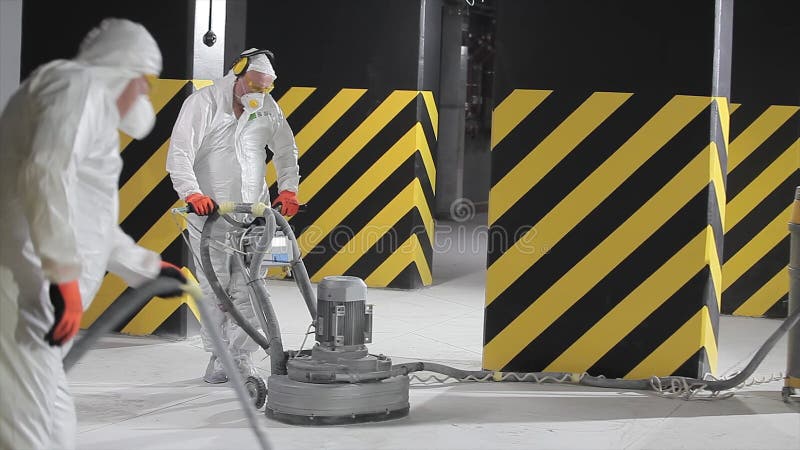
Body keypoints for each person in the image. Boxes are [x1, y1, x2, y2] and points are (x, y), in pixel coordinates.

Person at [0, 18, 187, 450]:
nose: (144, 94)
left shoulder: (92, 111)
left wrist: (146, 268)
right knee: (29, 431)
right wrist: (64, 274)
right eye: (142, 82)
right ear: (121, 69)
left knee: (52, 423)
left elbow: (90, 219)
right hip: (22, 286)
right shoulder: (76, 85)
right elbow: (46, 174)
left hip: (41, 293)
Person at [166, 48, 300, 384]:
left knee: (254, 288)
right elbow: (180, 152)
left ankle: (240, 359)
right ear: (237, 75)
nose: (260, 94)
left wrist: (288, 189)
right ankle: (219, 356)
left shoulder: (267, 108)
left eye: (267, 89)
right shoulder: (204, 105)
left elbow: (286, 150)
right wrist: (191, 193)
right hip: (210, 215)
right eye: (255, 86)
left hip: (256, 213)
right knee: (217, 289)